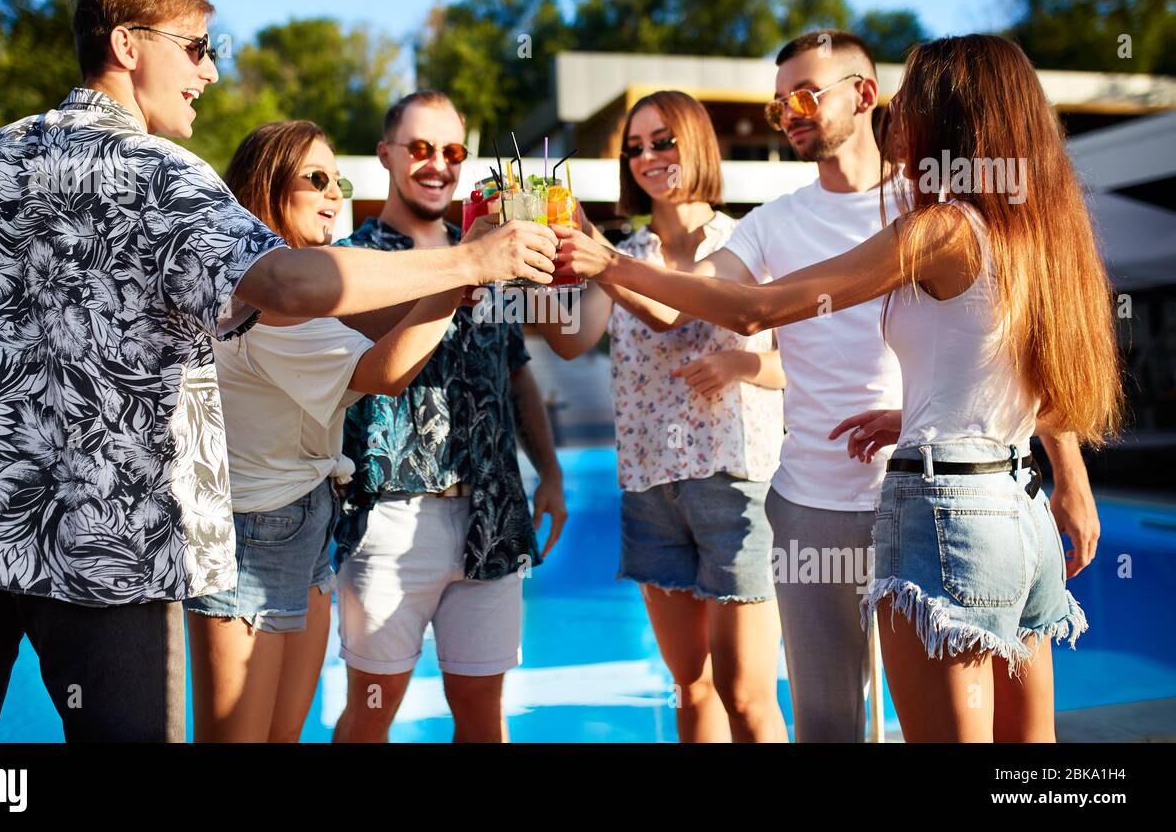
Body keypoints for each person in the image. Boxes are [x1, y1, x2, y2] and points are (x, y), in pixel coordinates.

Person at [0, 0, 555, 743]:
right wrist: (472, 261)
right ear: (127, 46)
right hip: (110, 537)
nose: (210, 70)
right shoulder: (160, 175)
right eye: (196, 48)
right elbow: (288, 284)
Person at [556, 33, 1120, 742]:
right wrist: (917, 417)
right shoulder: (1035, 224)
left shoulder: (936, 225)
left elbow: (756, 309)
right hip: (1014, 510)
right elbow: (1023, 370)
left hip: (948, 514)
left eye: (913, 97)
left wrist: (614, 262)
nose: (900, 111)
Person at [572, 30, 907, 741]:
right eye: (780, 101)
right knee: (796, 710)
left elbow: (1009, 335)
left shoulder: (926, 210)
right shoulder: (767, 227)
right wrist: (568, 261)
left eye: (805, 96)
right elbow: (658, 312)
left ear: (866, 94)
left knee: (874, 705)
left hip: (865, 482)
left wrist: (743, 365)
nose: (789, 112)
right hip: (751, 492)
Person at [185, 121, 471, 742]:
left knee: (283, 736)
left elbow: (387, 312)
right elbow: (385, 371)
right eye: (315, 179)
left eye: (336, 179)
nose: (335, 193)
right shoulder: (266, 302)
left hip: (305, 516)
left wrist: (461, 271)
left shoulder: (301, 290)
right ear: (267, 188)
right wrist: (466, 270)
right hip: (250, 536)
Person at [535, 91, 787, 742]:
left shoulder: (749, 242)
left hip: (739, 485)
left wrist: (744, 367)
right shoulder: (623, 253)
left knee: (747, 696)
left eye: (664, 140)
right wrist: (543, 270)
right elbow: (568, 341)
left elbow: (804, 366)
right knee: (690, 685)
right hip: (651, 487)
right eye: (636, 146)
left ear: (698, 143)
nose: (649, 156)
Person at [331, 91, 568, 743]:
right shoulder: (358, 261)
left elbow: (517, 373)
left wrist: (549, 471)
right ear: (386, 154)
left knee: (484, 722)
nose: (437, 164)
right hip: (388, 515)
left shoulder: (496, 264)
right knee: (370, 715)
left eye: (453, 151)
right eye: (421, 148)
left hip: (491, 514)